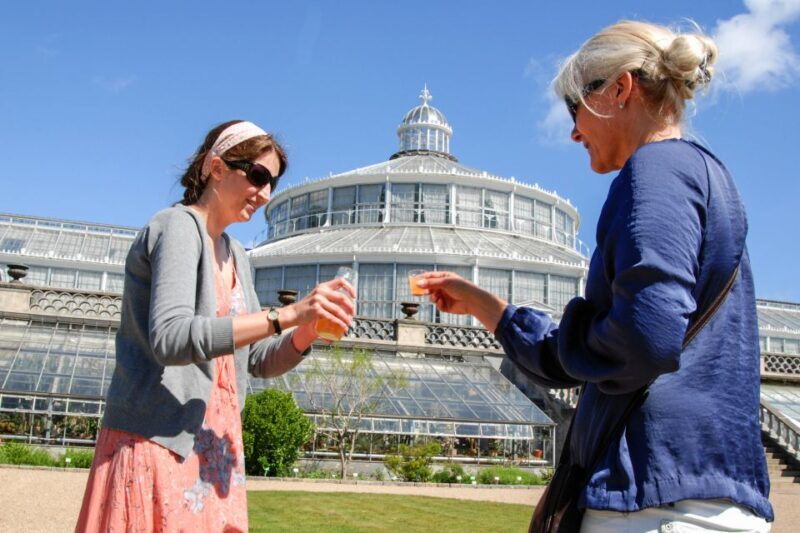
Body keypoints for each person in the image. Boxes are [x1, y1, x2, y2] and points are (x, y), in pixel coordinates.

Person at [418, 20, 773, 532]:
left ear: (620, 89)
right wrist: (483, 306)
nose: (573, 130)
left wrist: (578, 332)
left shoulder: (657, 168)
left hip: (654, 502)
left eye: (575, 107)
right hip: (695, 493)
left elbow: (644, 338)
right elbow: (609, 350)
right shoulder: (705, 175)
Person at [75, 120, 355, 532]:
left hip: (215, 448)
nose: (265, 193)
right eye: (257, 175)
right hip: (159, 438)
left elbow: (257, 359)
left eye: (272, 182)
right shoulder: (178, 227)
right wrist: (287, 315)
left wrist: (306, 330)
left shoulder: (237, 254)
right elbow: (171, 337)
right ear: (217, 167)